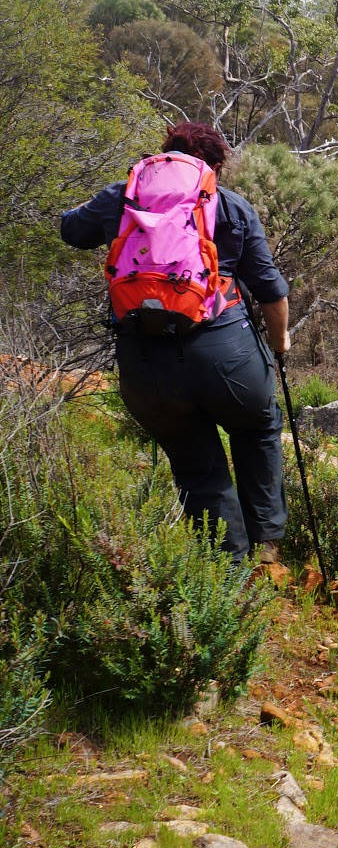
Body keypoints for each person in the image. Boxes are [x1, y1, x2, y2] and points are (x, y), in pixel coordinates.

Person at [61, 123, 291, 563]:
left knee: (195, 463)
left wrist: (107, 209)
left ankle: (227, 576)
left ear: (164, 157)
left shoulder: (122, 197)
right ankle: (266, 548)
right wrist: (278, 345)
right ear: (216, 166)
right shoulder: (233, 207)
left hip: (146, 362)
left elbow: (71, 231)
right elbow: (271, 292)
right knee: (258, 425)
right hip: (227, 353)